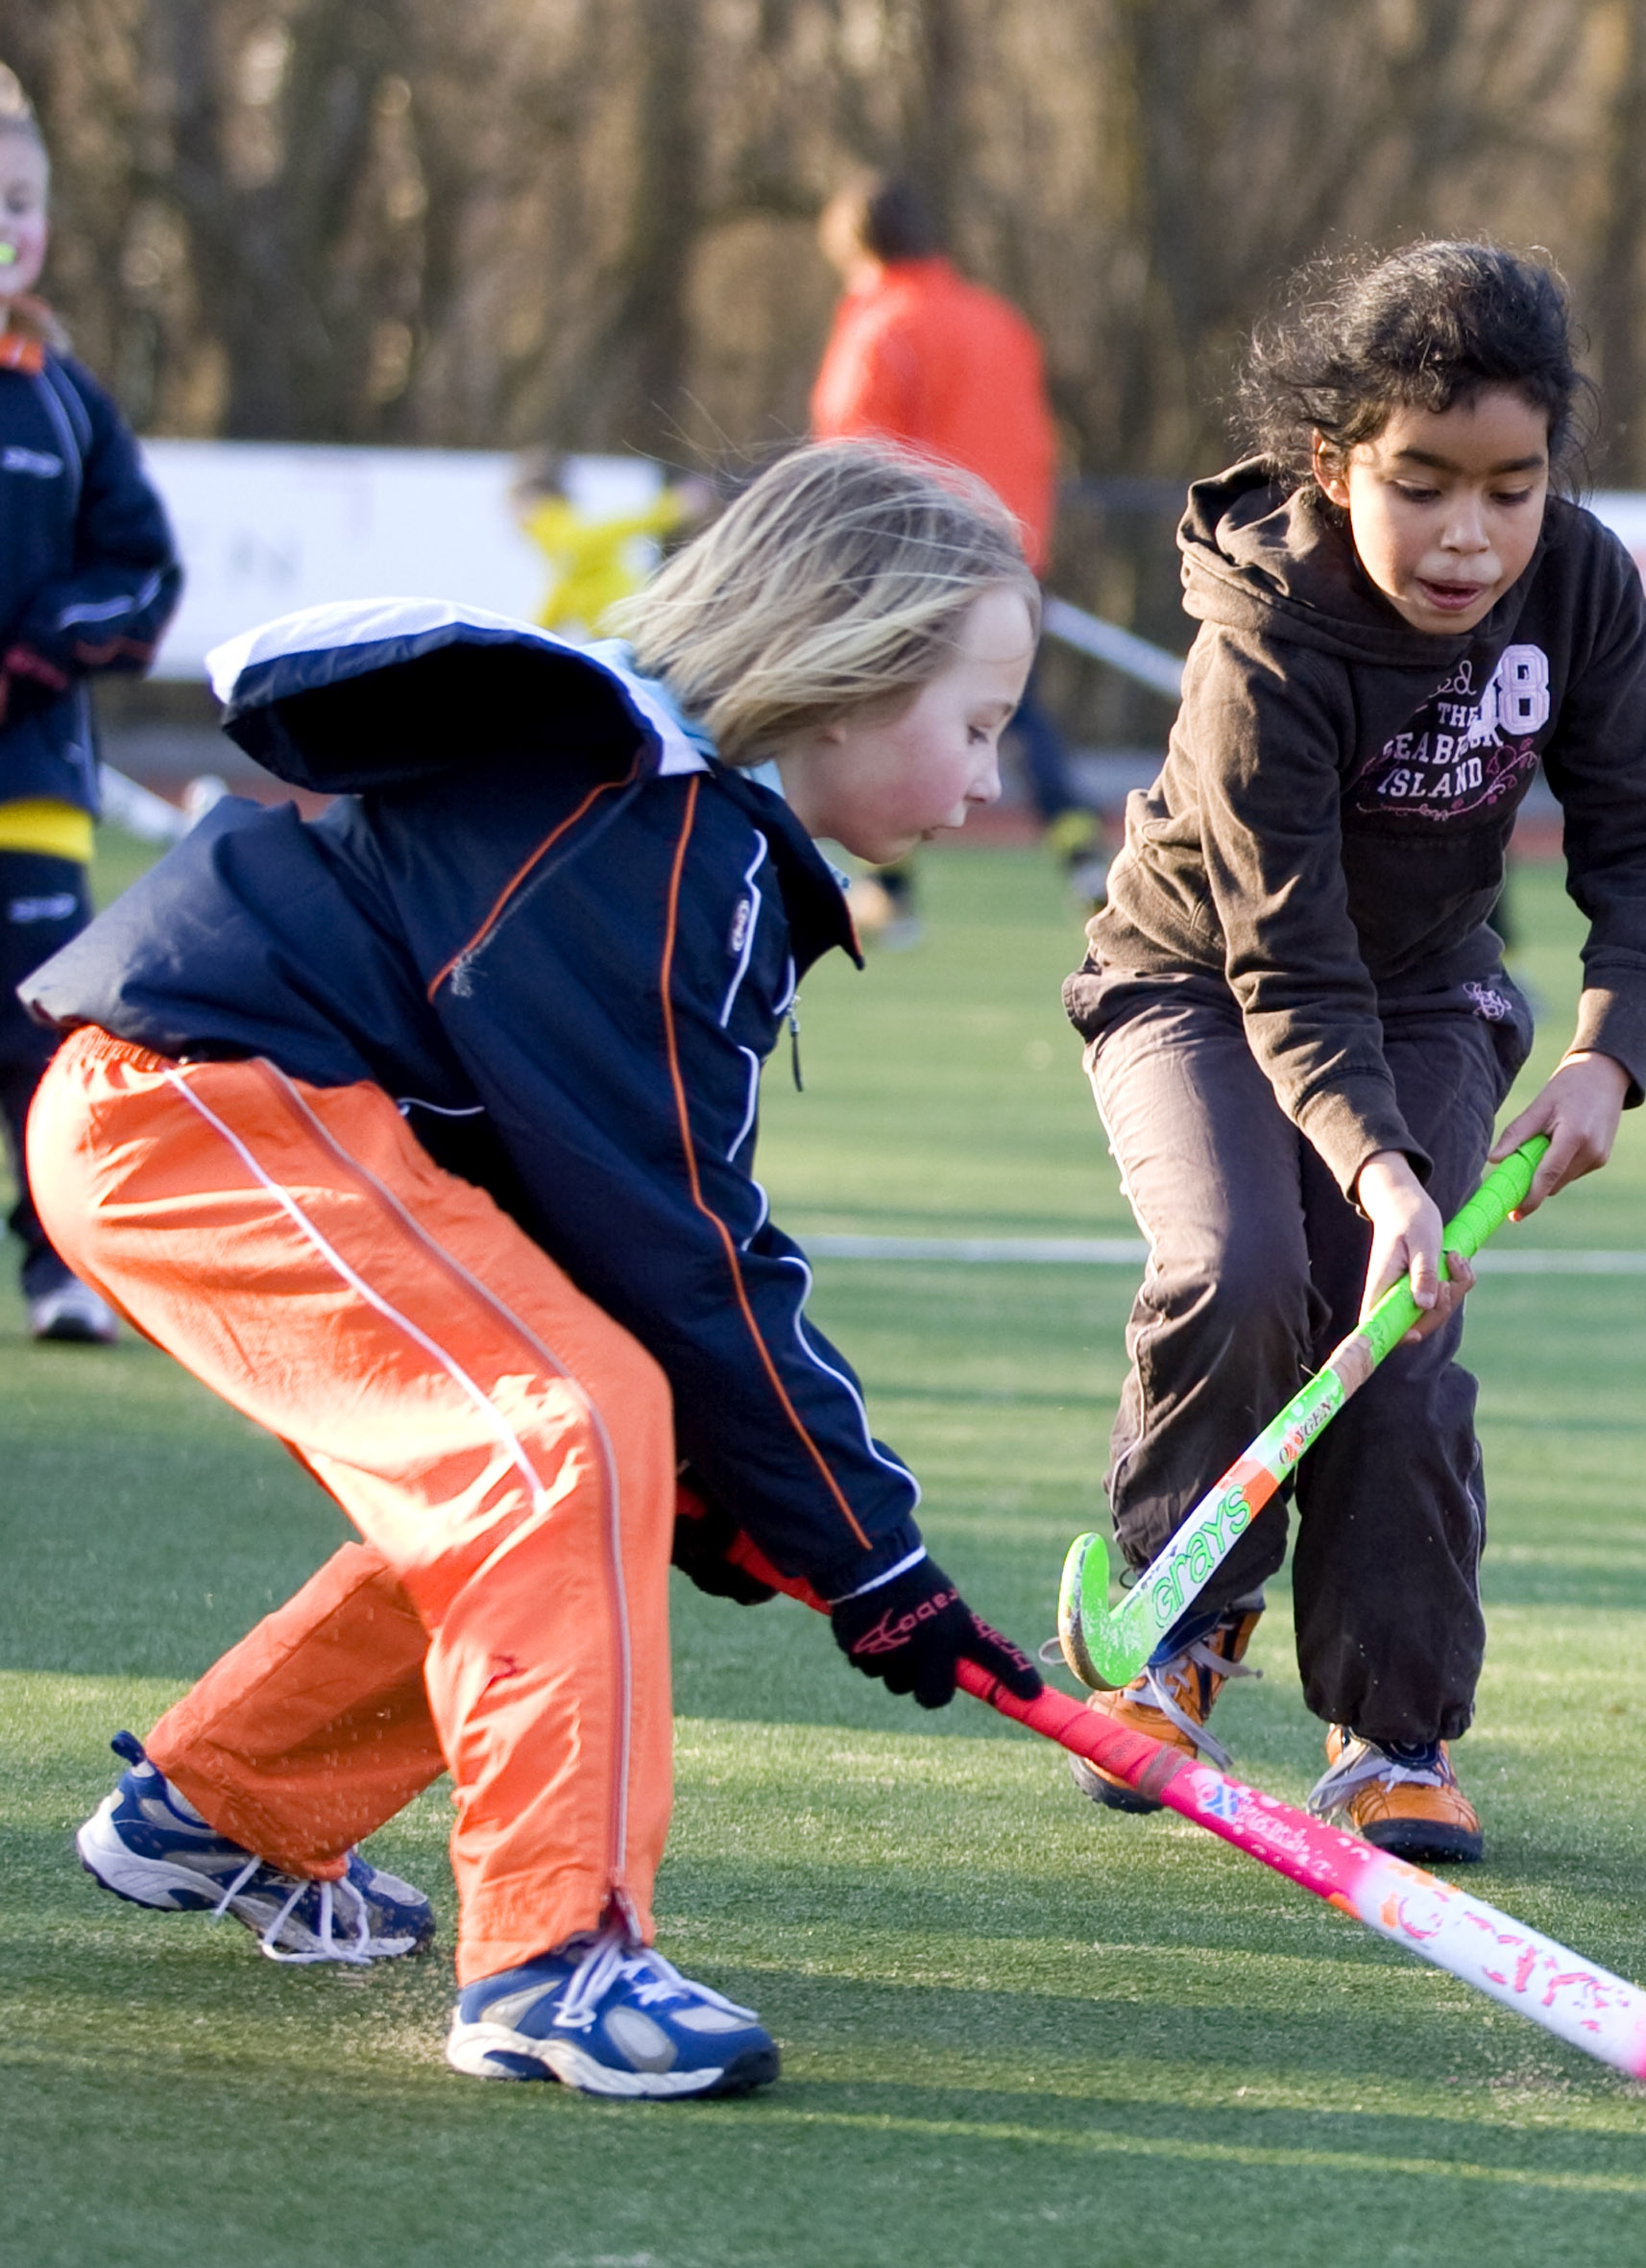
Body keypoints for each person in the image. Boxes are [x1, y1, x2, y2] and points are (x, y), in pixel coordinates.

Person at [22, 443, 1049, 2097]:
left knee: (590, 1457)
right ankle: (554, 1963)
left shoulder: (676, 828)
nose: (991, 777)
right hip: (211, 1112)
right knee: (563, 1436)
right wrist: (868, 1558)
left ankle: (220, 1809)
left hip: (232, 1116)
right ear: (849, 677)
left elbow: (603, 1208)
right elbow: (679, 1231)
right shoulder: (660, 835)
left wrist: (734, 1488)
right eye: (978, 718)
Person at [1062, 241, 1646, 1862]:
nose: (1468, 535)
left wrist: (1605, 1052)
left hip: (1421, 994)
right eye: (1420, 484)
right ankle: (1180, 1627)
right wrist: (1381, 1165)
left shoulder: (1582, 582)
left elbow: (1639, 839)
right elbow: (1284, 951)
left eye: (1509, 485)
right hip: (1195, 981)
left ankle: (1388, 1729)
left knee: (1395, 1330)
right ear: (1337, 463)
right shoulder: (1261, 645)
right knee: (1244, 1263)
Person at [0, 66, 182, 1346]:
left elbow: (146, 571)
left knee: (34, 1029)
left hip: (32, 782)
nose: (7, 224)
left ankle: (59, 1266)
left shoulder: (69, 404)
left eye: (20, 201)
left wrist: (44, 645)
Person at [811, 169, 1098, 916]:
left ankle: (887, 884)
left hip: (912, 558)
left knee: (879, 707)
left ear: (857, 247)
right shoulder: (998, 321)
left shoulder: (883, 326)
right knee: (1019, 715)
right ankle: (1079, 855)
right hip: (1010, 553)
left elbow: (852, 457)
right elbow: (1034, 444)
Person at [509, 446, 714, 638]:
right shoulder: (552, 534)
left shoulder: (558, 531)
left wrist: (673, 507)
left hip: (624, 629)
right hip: (618, 629)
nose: (511, 512)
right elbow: (564, 589)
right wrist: (530, 633)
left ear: (531, 499)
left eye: (514, 502)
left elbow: (613, 529)